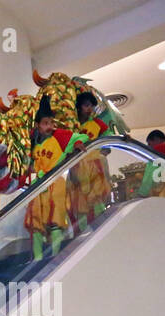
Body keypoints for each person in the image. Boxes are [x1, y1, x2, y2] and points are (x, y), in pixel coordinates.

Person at [25, 94, 80, 261]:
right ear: (38, 125)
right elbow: (29, 165)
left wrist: (77, 144)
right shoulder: (32, 143)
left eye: (51, 123)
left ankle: (56, 255)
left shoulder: (59, 137)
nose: (49, 126)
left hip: (56, 181)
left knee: (56, 219)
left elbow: (80, 137)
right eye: (46, 123)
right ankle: (38, 258)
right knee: (35, 222)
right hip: (38, 185)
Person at [67, 91, 112, 233]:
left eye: (92, 106)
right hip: (77, 170)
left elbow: (108, 141)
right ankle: (83, 234)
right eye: (86, 105)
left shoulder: (98, 124)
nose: (89, 109)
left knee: (97, 198)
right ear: (79, 107)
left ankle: (102, 229)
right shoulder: (71, 125)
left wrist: (101, 153)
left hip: (95, 167)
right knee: (79, 203)